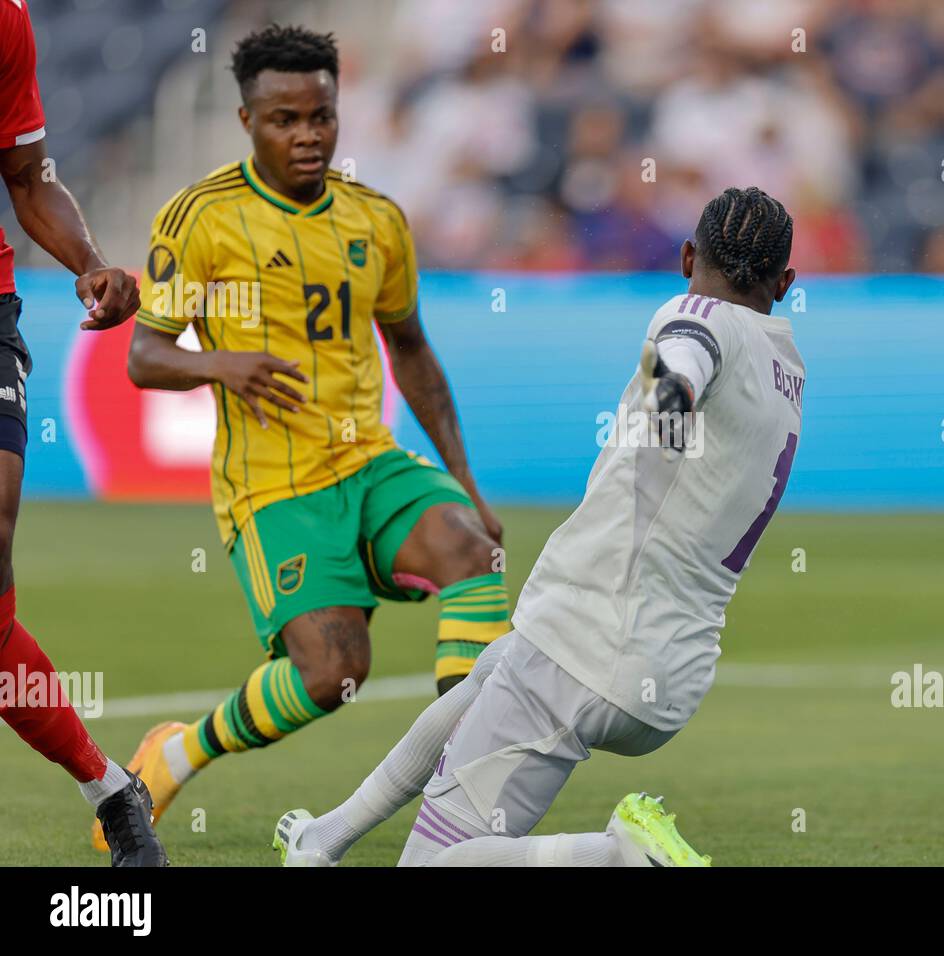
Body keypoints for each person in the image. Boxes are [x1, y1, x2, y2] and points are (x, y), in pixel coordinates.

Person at [275, 186, 803, 866]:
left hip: (586, 641)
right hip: (669, 677)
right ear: (786, 283)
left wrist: (665, 420)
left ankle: (618, 857)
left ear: (686, 256)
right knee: (486, 673)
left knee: (433, 866)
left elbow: (682, 360)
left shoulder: (692, 310)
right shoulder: (789, 366)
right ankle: (326, 837)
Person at [92, 24, 510, 851]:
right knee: (332, 673)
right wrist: (221, 365)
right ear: (247, 121)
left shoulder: (375, 220)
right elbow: (143, 356)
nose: (308, 135)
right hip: (273, 485)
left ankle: (462, 786)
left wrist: (465, 480)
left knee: (475, 551)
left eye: (321, 116)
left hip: (371, 459)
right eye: (285, 119)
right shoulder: (201, 219)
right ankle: (178, 751)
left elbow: (413, 349)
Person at [0, 0, 165, 866]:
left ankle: (112, 795)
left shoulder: (6, 22)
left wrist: (91, 260)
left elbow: (27, 180)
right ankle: (109, 786)